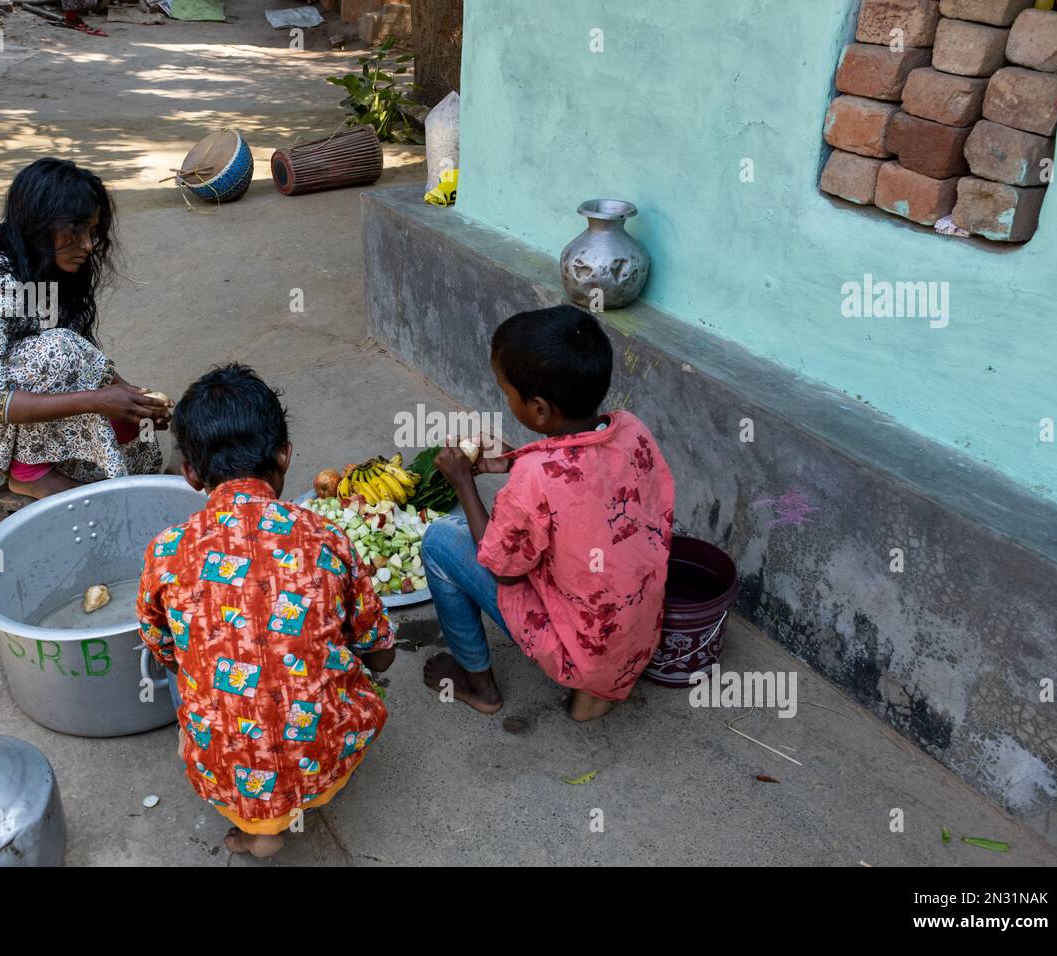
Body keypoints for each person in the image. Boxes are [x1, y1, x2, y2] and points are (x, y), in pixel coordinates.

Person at [137, 364, 396, 858]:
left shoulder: (166, 551)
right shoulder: (324, 536)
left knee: (195, 678)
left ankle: (259, 830)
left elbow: (162, 649)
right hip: (322, 758)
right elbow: (378, 651)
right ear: (285, 456)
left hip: (226, 767)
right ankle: (285, 811)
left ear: (190, 473)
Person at [421, 305, 675, 721]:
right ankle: (599, 685)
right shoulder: (633, 430)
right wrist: (517, 459)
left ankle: (477, 683)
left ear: (538, 409)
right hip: (635, 633)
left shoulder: (535, 478)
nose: (505, 399)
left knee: (439, 541)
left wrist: (463, 484)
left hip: (576, 650)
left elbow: (503, 569)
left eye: (506, 392)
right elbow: (590, 474)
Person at [0, 158, 169, 509]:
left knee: (131, 450)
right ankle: (28, 474)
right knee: (57, 352)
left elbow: (80, 352)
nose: (86, 245)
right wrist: (98, 400)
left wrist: (131, 397)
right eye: (76, 231)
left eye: (92, 232)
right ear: (40, 226)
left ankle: (43, 458)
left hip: (4, 378)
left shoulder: (40, 258)